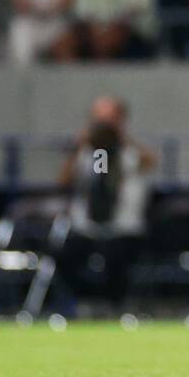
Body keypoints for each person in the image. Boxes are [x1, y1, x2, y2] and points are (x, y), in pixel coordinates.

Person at [55, 97, 155, 314]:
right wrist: (79, 146)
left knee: (118, 259)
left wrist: (121, 138)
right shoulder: (87, 153)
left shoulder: (130, 151)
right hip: (87, 227)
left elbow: (150, 162)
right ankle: (86, 301)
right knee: (63, 256)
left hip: (123, 227)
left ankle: (115, 306)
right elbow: (63, 181)